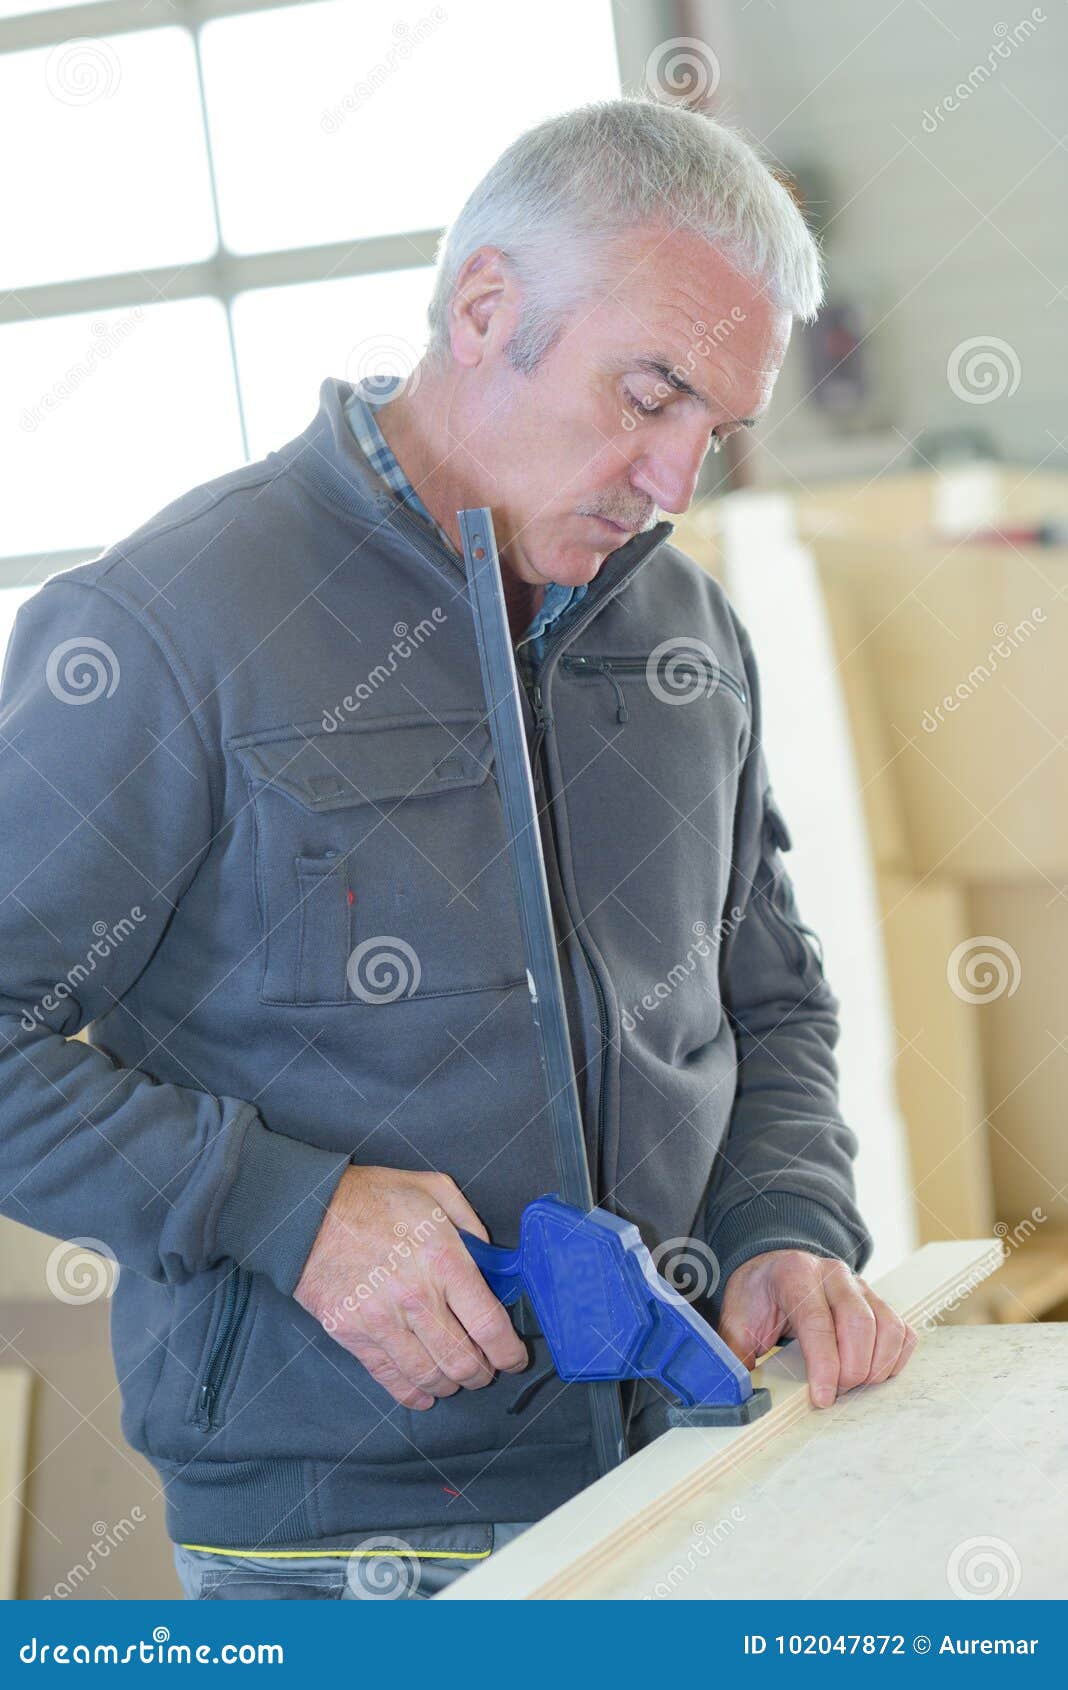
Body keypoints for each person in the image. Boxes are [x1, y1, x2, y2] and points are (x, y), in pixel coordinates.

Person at [0, 97, 914, 1602]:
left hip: (688, 1469)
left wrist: (788, 1219)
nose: (677, 483)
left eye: (717, 430)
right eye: (649, 393)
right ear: (487, 308)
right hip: (342, 1543)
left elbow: (769, 999)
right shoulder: (170, 625)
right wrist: (283, 1212)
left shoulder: (684, 632)